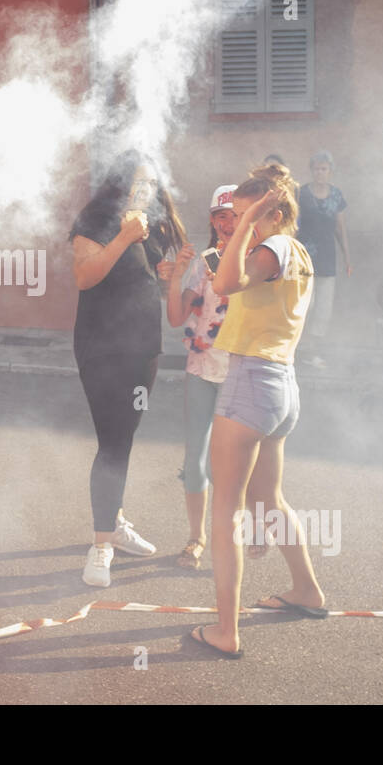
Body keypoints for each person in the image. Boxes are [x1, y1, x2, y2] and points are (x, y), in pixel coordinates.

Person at [186, 164, 325, 659]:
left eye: (248, 214)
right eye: (236, 215)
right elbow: (232, 277)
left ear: (275, 212)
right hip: (280, 384)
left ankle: (226, 631)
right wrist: (245, 229)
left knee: (226, 511)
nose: (237, 223)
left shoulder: (276, 247)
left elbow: (225, 286)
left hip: (252, 381)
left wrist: (246, 226)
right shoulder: (296, 251)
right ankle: (306, 590)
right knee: (268, 498)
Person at [69, 154, 187, 587]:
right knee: (113, 443)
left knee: (125, 437)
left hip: (143, 348)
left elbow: (140, 284)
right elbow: (84, 277)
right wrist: (122, 239)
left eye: (152, 184)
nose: (146, 192)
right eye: (138, 183)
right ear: (119, 184)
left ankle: (112, 520)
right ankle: (101, 545)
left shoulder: (149, 226)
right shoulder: (97, 221)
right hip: (102, 348)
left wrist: (165, 276)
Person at [165, 184, 237, 570]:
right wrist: (176, 278)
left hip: (240, 374)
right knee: (195, 459)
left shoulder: (254, 263)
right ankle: (196, 538)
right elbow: (177, 318)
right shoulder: (203, 263)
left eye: (233, 216)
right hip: (201, 371)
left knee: (232, 462)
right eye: (220, 216)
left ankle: (230, 538)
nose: (226, 224)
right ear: (212, 220)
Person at [295, 150, 351, 369]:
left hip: (327, 259)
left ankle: (312, 353)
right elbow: (292, 225)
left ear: (330, 171)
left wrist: (347, 257)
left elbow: (341, 228)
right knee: (304, 307)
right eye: (317, 168)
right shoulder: (301, 194)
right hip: (303, 259)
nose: (320, 172)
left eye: (324, 169)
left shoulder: (336, 196)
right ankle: (296, 351)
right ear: (312, 170)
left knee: (323, 309)